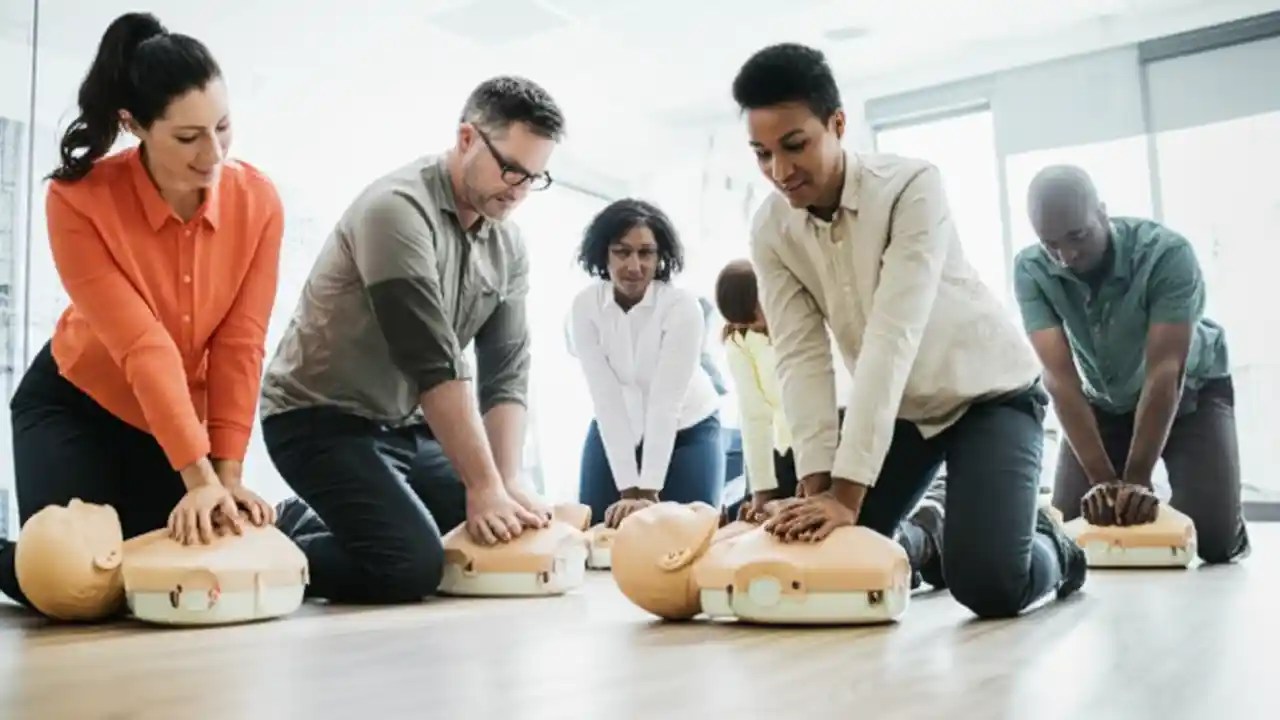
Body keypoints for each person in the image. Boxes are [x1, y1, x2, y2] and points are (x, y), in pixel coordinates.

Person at [729, 42, 1086, 619]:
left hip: (988, 398)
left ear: (837, 124)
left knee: (991, 587)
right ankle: (938, 533)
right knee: (834, 552)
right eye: (762, 154)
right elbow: (800, 355)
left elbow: (891, 339)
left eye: (795, 146)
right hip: (903, 416)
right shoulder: (771, 228)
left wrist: (846, 494)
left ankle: (1055, 549)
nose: (780, 172)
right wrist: (819, 490)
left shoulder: (912, 186)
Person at [0, 13, 282, 608]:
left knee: (180, 572)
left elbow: (240, 343)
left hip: (168, 426)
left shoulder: (258, 203)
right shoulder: (77, 201)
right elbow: (143, 345)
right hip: (76, 406)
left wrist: (226, 480)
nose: (213, 155)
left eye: (223, 127)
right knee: (76, 586)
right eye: (187, 138)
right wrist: (199, 477)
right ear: (134, 125)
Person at [259, 76, 564, 604]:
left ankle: (320, 518)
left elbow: (506, 368)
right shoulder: (396, 210)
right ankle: (282, 537)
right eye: (511, 168)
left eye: (535, 177)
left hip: (408, 429)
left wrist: (505, 480)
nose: (519, 189)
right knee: (409, 565)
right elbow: (434, 363)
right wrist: (482, 485)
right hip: (319, 421)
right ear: (467, 139)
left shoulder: (508, 243)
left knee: (479, 530)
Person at [1014, 165, 1249, 563]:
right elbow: (1059, 379)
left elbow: (1164, 371)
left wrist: (1136, 481)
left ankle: (1231, 526)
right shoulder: (1031, 269)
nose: (1066, 256)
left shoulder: (1167, 254)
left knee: (1211, 540)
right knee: (1077, 527)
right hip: (1103, 400)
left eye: (1078, 236)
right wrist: (1105, 483)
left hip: (1188, 390)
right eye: (1050, 243)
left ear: (1102, 214)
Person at [714, 258, 946, 589]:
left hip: (838, 433)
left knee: (844, 532)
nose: (761, 325)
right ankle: (905, 542)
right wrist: (762, 492)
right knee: (764, 520)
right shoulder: (743, 341)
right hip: (788, 449)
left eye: (759, 313)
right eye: (748, 322)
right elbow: (755, 418)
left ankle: (924, 521)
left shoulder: (812, 317)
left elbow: (838, 397)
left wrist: (818, 478)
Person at [569, 199, 725, 528]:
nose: (634, 265)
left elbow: (665, 403)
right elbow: (605, 397)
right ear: (603, 253)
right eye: (622, 252)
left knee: (682, 533)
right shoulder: (585, 307)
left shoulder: (682, 308)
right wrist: (628, 490)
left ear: (661, 256)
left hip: (688, 427)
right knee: (598, 530)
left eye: (646, 253)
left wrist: (648, 493)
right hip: (617, 424)